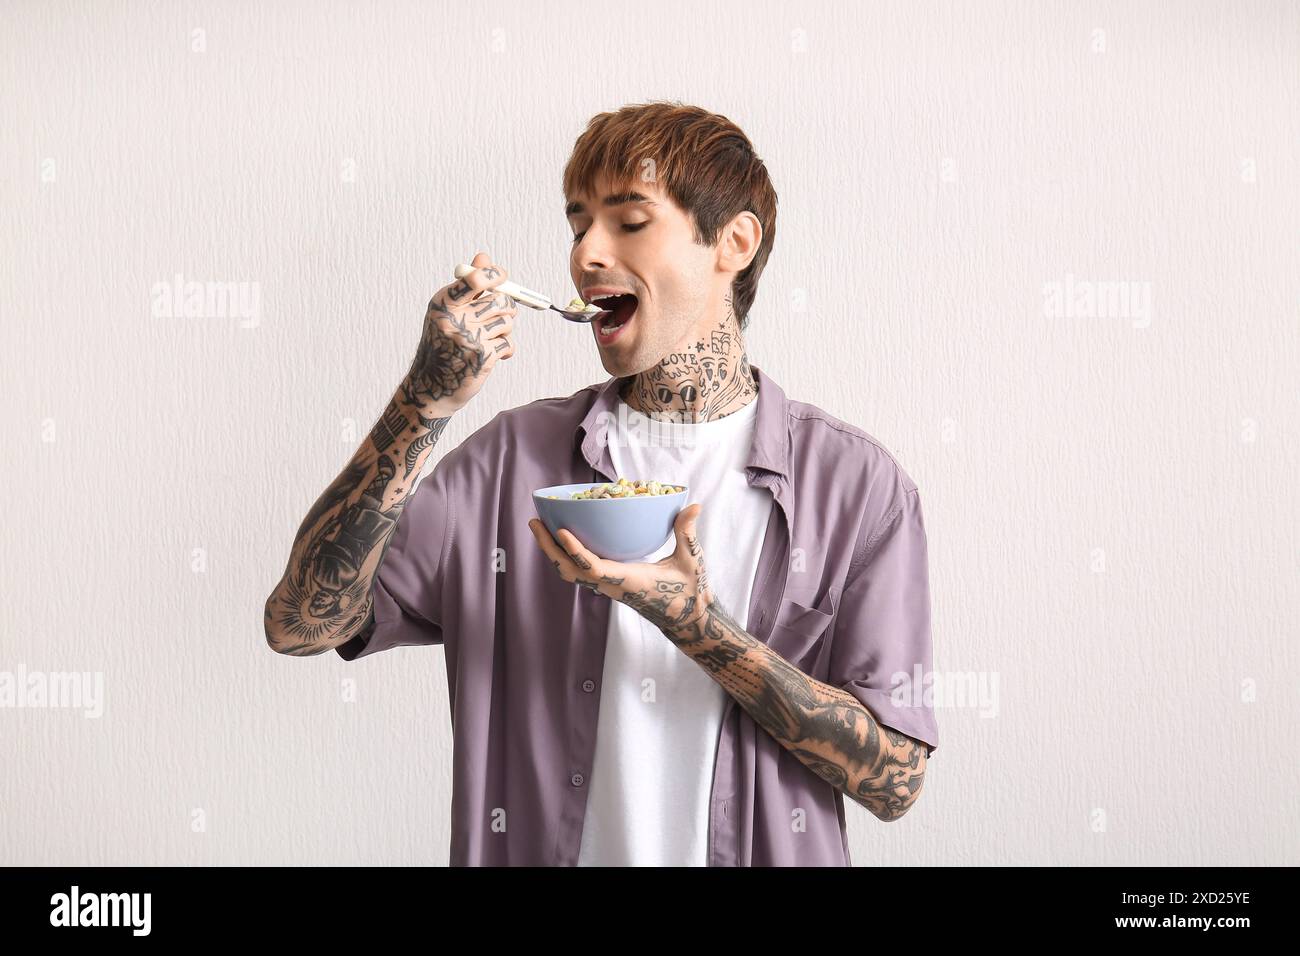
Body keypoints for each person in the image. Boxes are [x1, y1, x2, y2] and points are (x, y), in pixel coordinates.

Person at [264, 101, 939, 866]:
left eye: (629, 221)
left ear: (734, 242)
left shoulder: (857, 487)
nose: (586, 252)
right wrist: (421, 402)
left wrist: (700, 629)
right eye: (578, 223)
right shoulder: (510, 462)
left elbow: (897, 781)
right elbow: (299, 625)